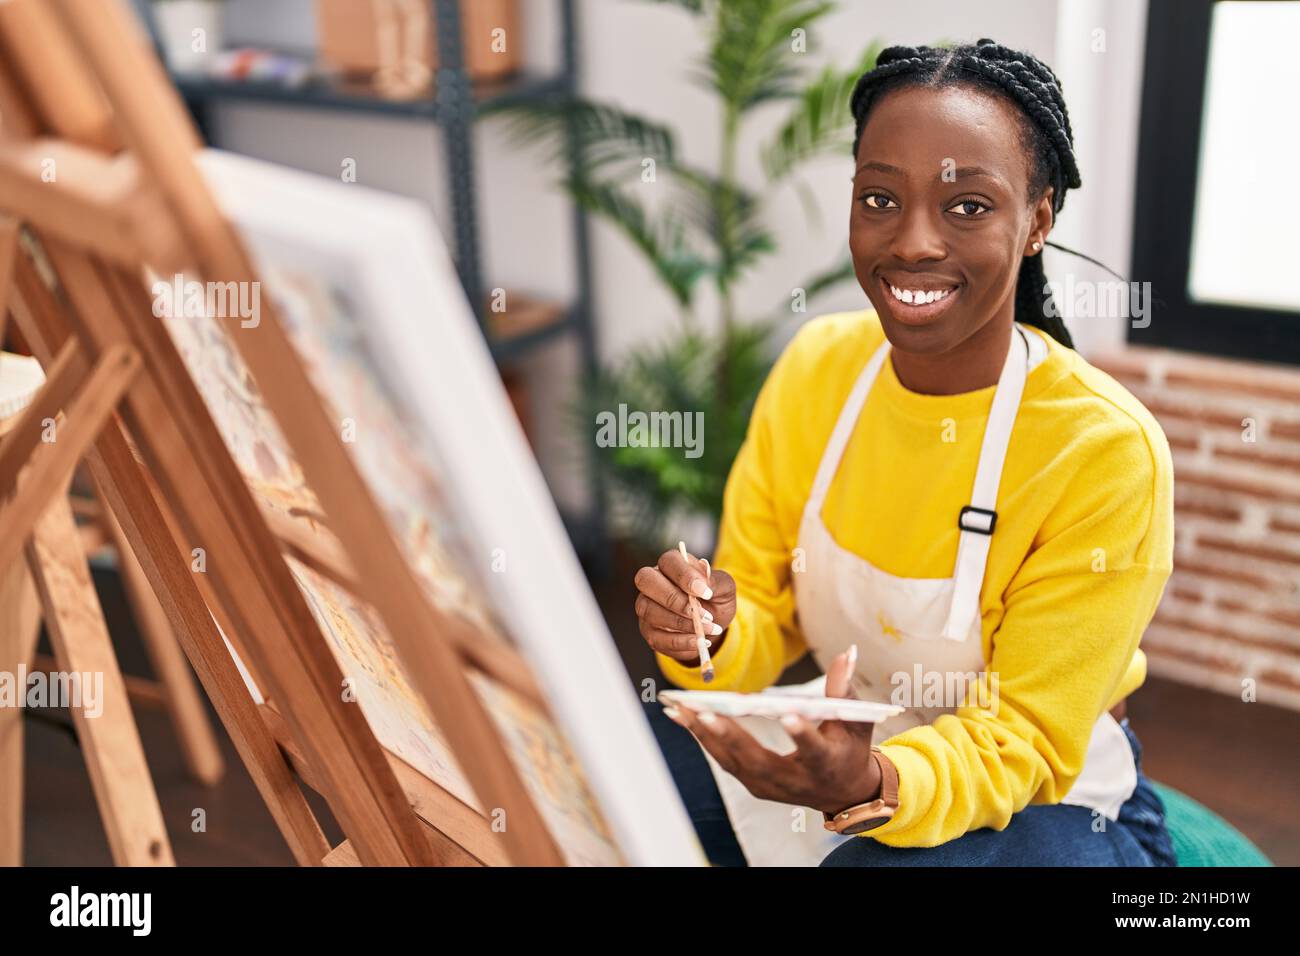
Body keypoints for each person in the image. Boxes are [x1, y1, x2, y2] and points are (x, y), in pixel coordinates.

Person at [632, 39, 1179, 867]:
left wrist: (872, 782)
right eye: (880, 198)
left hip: (1047, 798)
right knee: (624, 763)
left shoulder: (1102, 449)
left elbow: (1022, 739)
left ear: (1038, 218)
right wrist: (703, 631)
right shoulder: (819, 370)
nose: (913, 242)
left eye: (968, 206)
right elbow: (764, 621)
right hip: (860, 726)